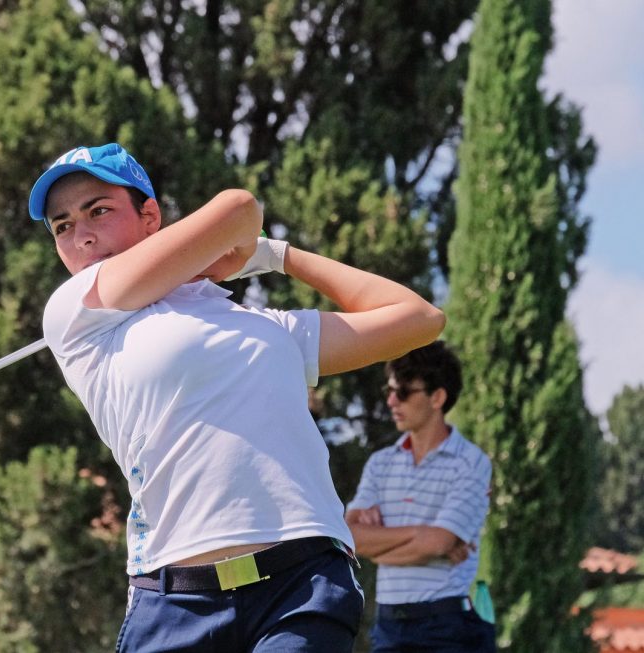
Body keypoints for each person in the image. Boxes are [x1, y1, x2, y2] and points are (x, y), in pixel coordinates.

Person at [28, 142, 446, 652]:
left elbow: (419, 319)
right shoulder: (75, 311)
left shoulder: (266, 328)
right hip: (175, 601)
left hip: (301, 586)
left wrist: (277, 255)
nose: (83, 236)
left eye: (98, 211)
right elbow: (238, 211)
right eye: (62, 226)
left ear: (150, 217)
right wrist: (219, 249)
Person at [345, 341, 495, 652]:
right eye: (389, 390)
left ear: (437, 397)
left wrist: (379, 545)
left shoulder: (471, 462)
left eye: (402, 392)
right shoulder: (380, 463)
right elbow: (351, 538)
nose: (391, 401)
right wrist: (422, 535)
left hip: (448, 630)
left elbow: (437, 543)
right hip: (387, 629)